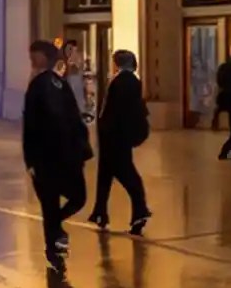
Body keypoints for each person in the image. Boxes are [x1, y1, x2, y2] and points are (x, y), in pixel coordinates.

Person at [23, 39, 93, 273]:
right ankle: (54, 249)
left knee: (57, 205)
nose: (31, 60)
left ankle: (55, 237)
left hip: (52, 157)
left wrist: (32, 158)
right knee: (61, 201)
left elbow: (33, 124)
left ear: (44, 57)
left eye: (34, 56)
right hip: (55, 156)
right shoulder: (53, 84)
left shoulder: (47, 84)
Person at [87, 50, 152, 235]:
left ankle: (140, 211)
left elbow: (118, 111)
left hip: (116, 137)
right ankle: (100, 211)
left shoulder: (124, 81)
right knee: (105, 176)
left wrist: (108, 130)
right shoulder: (128, 80)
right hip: (113, 137)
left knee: (127, 175)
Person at [63, 41, 93, 121]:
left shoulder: (78, 56)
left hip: (77, 79)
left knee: (78, 97)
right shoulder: (69, 58)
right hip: (72, 79)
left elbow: (79, 67)